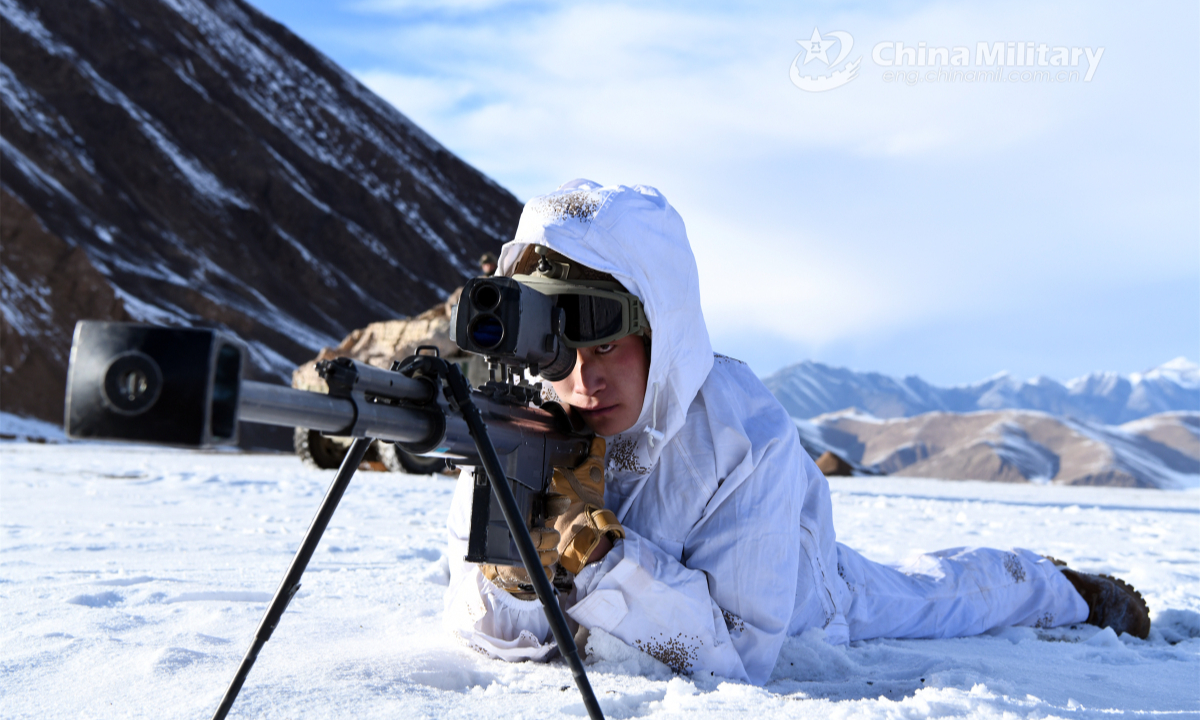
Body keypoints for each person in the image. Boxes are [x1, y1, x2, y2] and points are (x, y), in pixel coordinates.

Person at [442, 180, 1151, 685]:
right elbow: (490, 636)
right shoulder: (520, 430)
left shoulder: (742, 433)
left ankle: (1062, 587)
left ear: (663, 329)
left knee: (943, 595)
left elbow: (736, 659)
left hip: (808, 593)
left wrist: (597, 557)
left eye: (605, 346)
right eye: (562, 356)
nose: (583, 382)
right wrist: (516, 578)